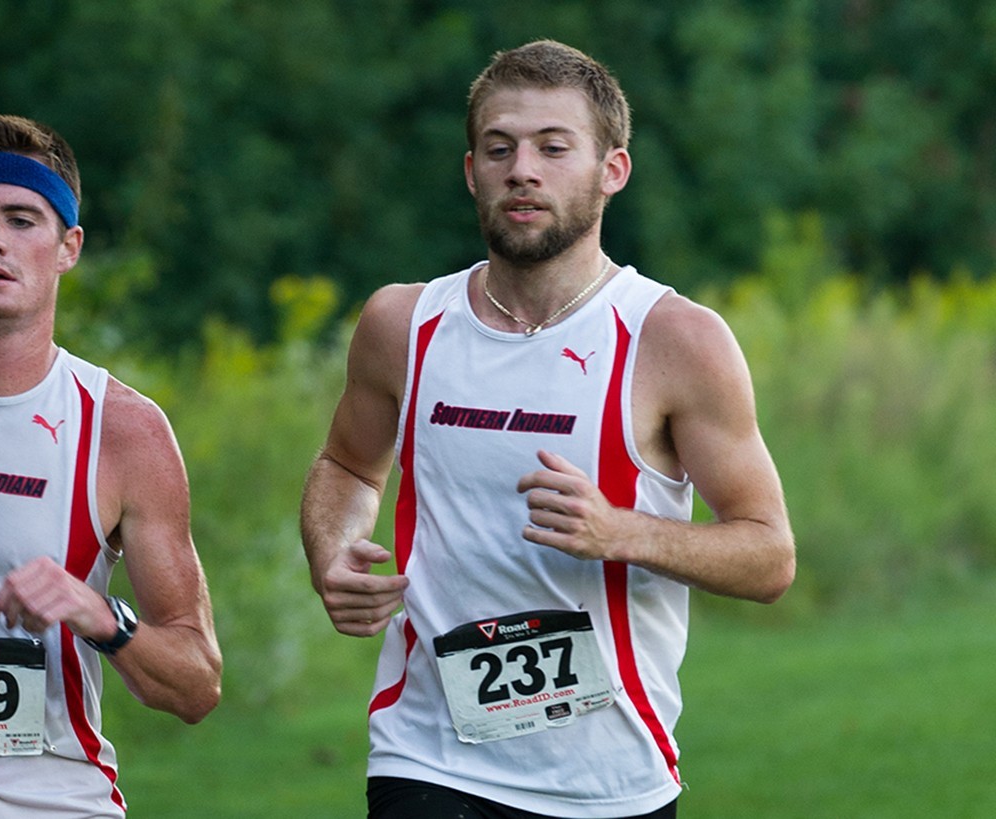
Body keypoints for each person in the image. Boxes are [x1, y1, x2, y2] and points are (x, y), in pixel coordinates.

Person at [300, 40, 795, 819]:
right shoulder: (404, 323)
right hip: (427, 755)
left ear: (613, 171)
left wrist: (622, 531)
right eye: (499, 148)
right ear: (471, 172)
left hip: (609, 778)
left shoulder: (673, 340)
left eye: (552, 148)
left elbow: (769, 555)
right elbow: (347, 467)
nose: (521, 169)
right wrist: (333, 553)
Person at [0, 110, 222, 816]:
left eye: (21, 219)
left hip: (50, 800)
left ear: (68, 246)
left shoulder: (121, 429)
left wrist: (97, 612)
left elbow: (197, 683)